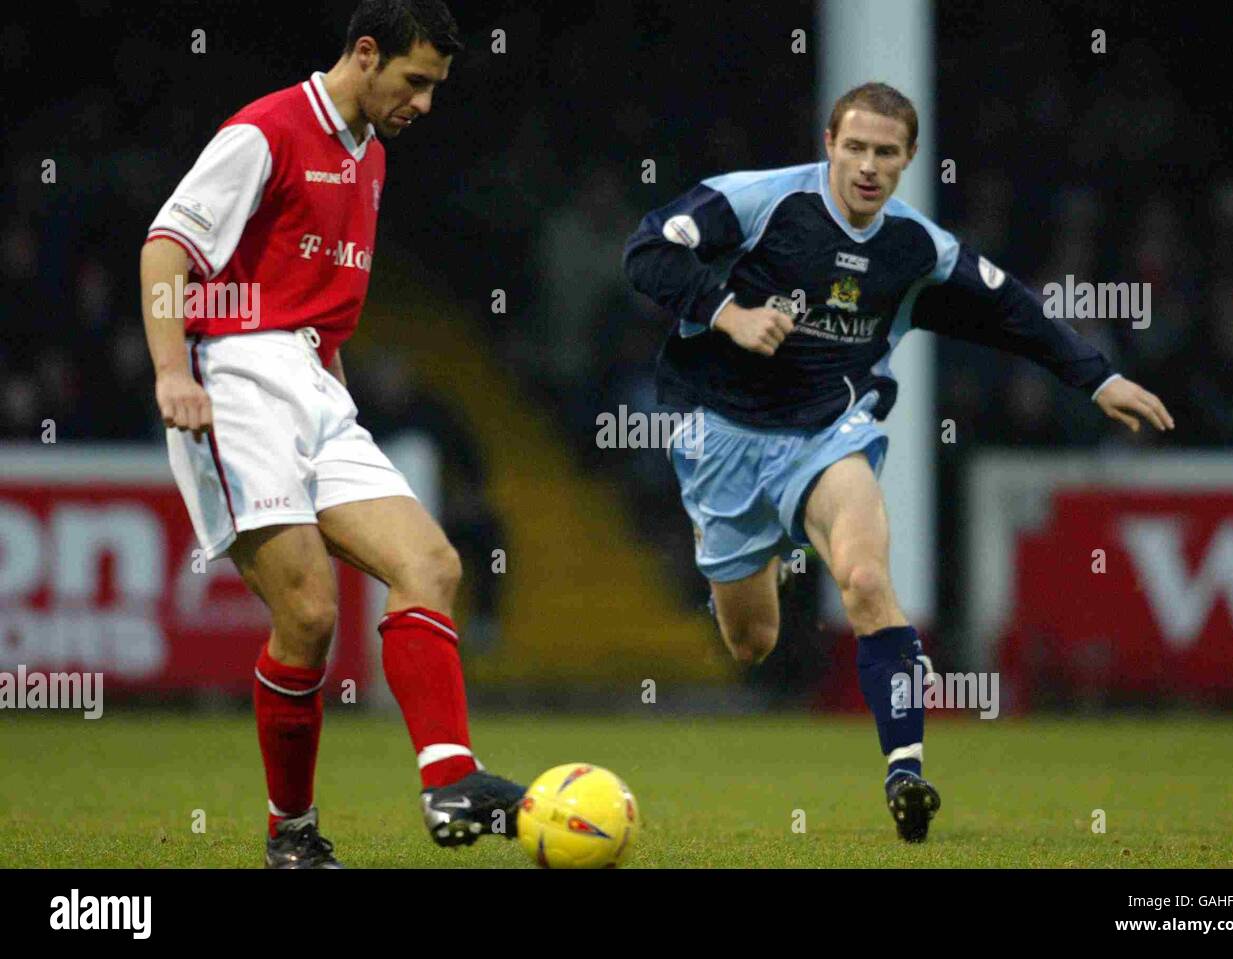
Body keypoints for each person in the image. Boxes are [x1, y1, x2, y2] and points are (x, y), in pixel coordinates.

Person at [623, 81, 1174, 842]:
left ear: (911, 158)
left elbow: (1011, 307)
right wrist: (730, 313)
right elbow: (645, 251)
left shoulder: (918, 246)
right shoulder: (757, 202)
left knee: (866, 577)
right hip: (720, 433)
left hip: (828, 433)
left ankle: (905, 769)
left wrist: (1099, 377)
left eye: (887, 152)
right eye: (856, 147)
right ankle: (756, 543)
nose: (869, 166)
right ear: (829, 143)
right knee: (751, 642)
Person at [139, 0, 523, 868]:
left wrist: (334, 401)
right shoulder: (266, 131)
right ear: (365, 53)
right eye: (415, 81)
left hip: (317, 383)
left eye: (435, 88)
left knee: (432, 562)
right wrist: (170, 372)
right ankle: (294, 832)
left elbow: (320, 308)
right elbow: (165, 250)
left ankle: (450, 777)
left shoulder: (373, 157)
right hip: (232, 374)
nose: (424, 103)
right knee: (309, 612)